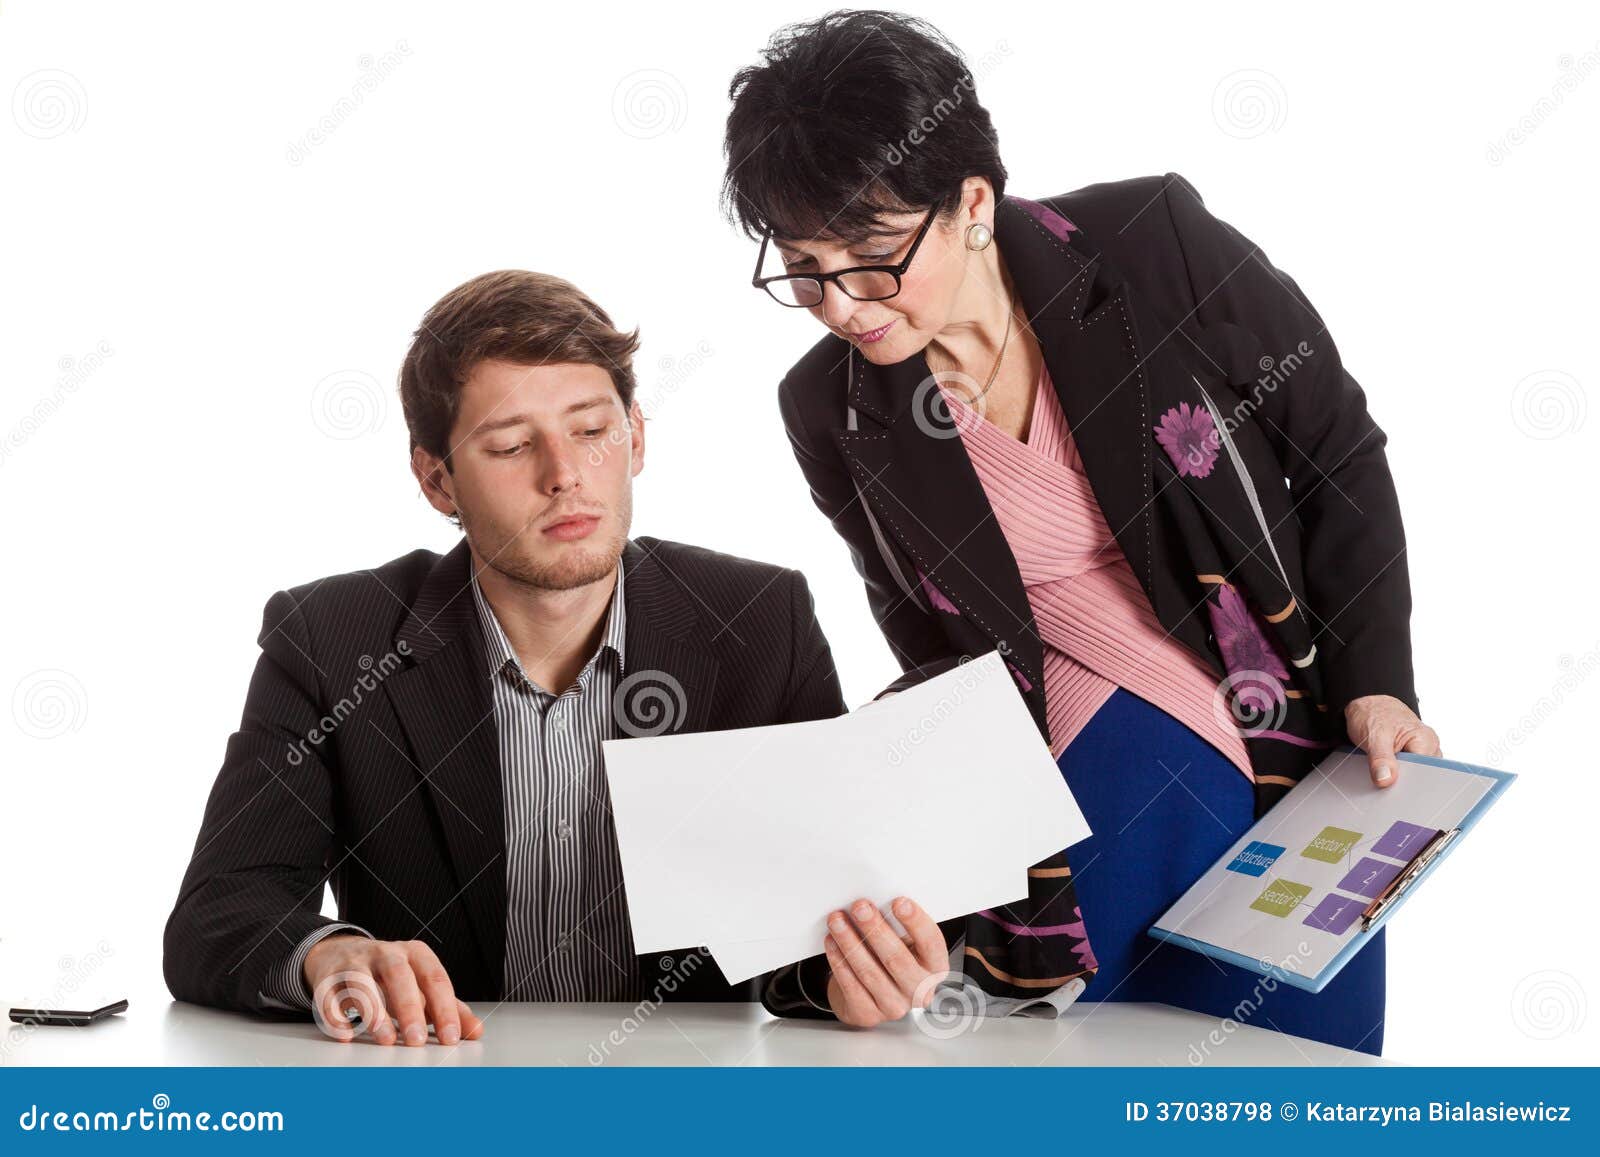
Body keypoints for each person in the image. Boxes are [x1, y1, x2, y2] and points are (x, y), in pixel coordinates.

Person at [720, 9, 1443, 1054]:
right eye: (801, 267)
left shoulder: (1153, 241)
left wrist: (1379, 680)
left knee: (1302, 1081)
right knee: (1102, 1081)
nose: (840, 305)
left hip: (1281, 730)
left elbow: (1337, 447)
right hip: (1060, 779)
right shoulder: (825, 405)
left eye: (872, 258)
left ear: (972, 202)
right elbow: (929, 639)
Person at [162, 270, 952, 1044]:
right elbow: (218, 912)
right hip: (448, 1090)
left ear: (636, 435)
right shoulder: (333, 640)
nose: (564, 476)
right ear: (437, 479)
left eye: (592, 430)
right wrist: (329, 956)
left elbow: (808, 921)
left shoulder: (760, 622)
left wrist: (852, 976)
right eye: (511, 445)